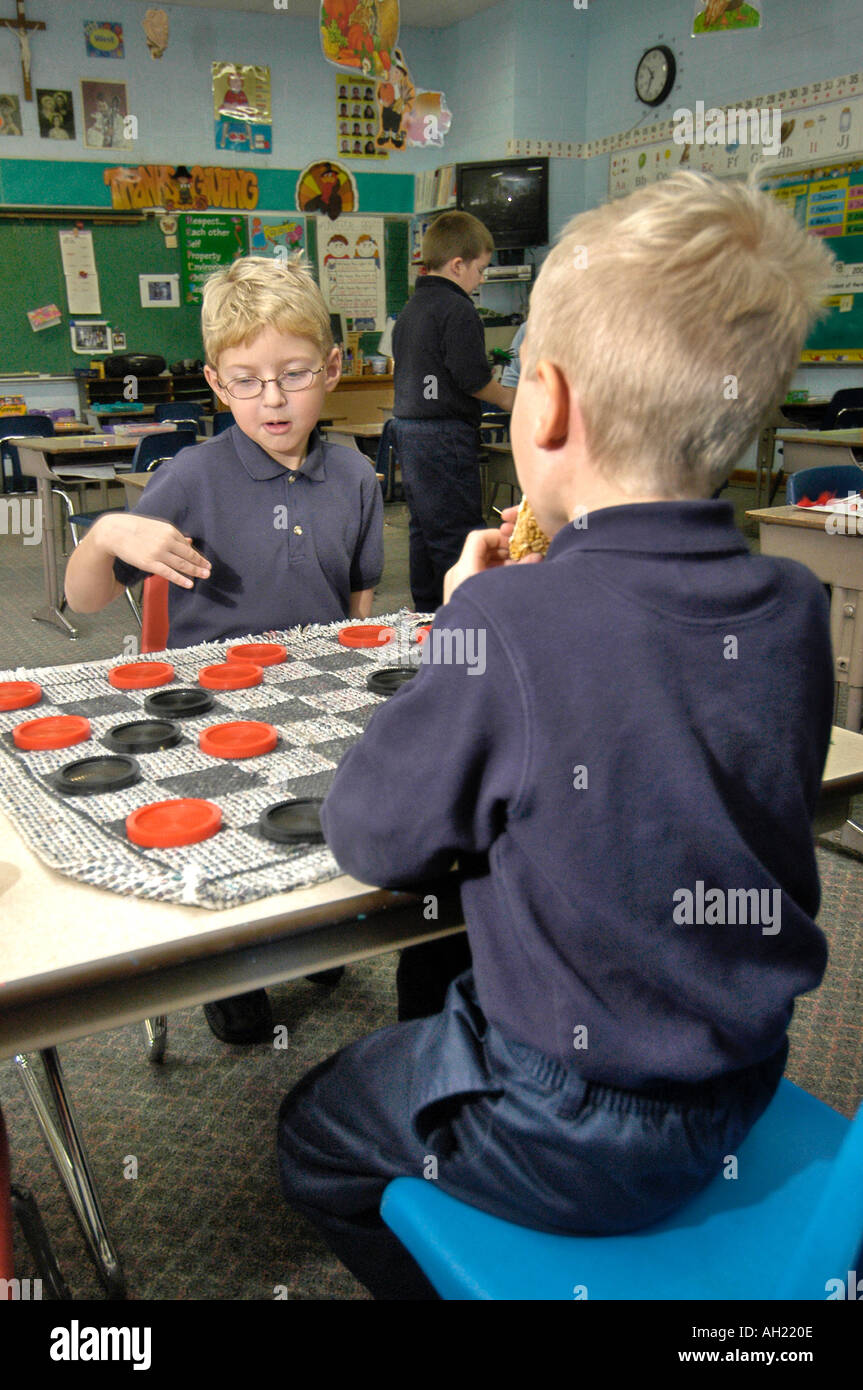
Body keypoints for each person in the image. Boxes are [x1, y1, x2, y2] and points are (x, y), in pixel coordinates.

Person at [276, 172, 836, 1299]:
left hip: (569, 1124)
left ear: (545, 409)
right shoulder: (791, 608)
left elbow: (371, 834)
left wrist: (460, 628)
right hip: (744, 1073)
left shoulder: (506, 616)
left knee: (310, 1130)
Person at [64, 256, 384, 1044]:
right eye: (245, 379)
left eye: (294, 373)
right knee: (216, 835)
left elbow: (358, 604)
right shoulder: (189, 477)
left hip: (309, 698)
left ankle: (297, 934)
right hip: (205, 709)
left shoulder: (354, 474)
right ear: (215, 383)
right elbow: (82, 599)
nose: (272, 399)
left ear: (332, 368)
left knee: (309, 820)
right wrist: (105, 534)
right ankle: (231, 962)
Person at [391, 210, 514, 613]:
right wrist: (510, 398)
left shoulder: (411, 309)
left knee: (425, 528)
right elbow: (472, 378)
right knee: (458, 531)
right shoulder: (458, 309)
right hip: (444, 433)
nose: (481, 280)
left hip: (409, 429)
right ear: (458, 264)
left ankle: (427, 612)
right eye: (480, 270)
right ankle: (467, 614)